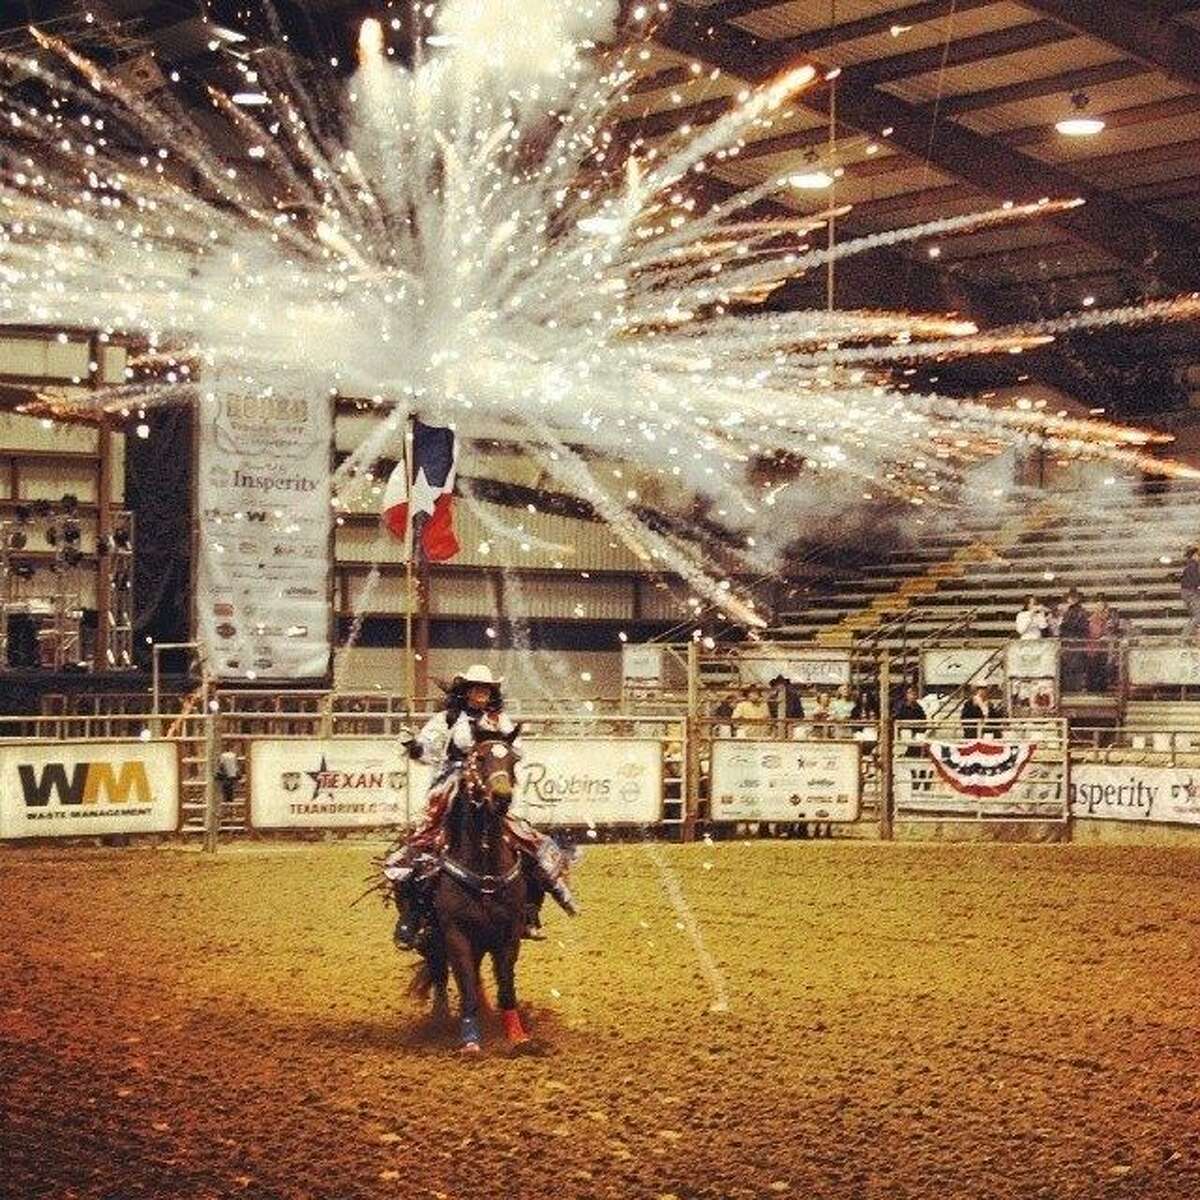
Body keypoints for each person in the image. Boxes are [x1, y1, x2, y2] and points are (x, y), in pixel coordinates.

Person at [389, 665, 578, 950]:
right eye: (476, 688)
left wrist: (496, 756)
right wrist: (414, 746)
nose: (481, 694)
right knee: (424, 844)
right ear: (466, 691)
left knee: (526, 840)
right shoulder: (448, 719)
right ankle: (412, 917)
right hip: (452, 782)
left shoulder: (500, 720)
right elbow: (427, 750)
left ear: (491, 692)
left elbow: (517, 749)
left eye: (486, 689)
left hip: (492, 781)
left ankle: (528, 911)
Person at [1056, 589, 1089, 691]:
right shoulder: (1078, 611)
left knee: (1071, 668)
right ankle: (1074, 688)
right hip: (1075, 641)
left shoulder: (1075, 612)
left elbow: (1069, 626)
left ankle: (1072, 688)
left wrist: (1062, 625)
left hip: (1072, 641)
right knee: (1074, 668)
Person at [1182, 547, 1200, 636]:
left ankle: (1187, 637)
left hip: (1188, 592)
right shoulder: (1193, 566)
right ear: (1194, 555)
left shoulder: (1191, 565)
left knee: (1195, 616)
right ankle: (1184, 637)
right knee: (1198, 616)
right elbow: (1196, 581)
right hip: (1190, 593)